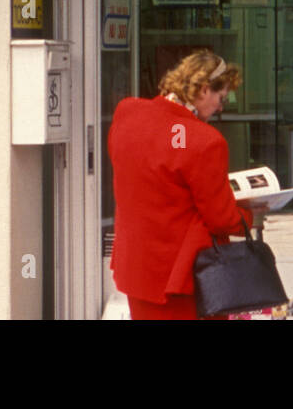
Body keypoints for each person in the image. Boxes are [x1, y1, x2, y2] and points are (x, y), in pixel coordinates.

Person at [108, 50, 255, 320]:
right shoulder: (206, 141)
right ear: (202, 89)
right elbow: (221, 219)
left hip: (138, 271)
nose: (221, 108)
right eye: (221, 98)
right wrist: (250, 214)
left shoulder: (127, 113)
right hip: (182, 277)